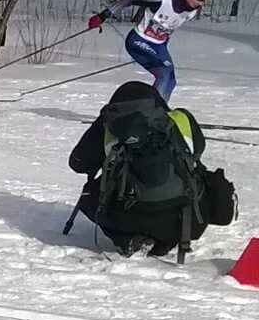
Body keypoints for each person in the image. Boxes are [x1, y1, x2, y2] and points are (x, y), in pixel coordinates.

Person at [65, 80, 237, 262]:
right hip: (185, 217)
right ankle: (166, 241)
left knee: (90, 194)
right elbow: (198, 150)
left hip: (128, 217)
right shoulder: (180, 118)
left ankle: (128, 238)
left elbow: (78, 164)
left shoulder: (109, 125)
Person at [89, 0, 209, 101]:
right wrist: (102, 16)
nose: (199, 3)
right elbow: (127, 0)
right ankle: (154, 112)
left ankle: (160, 112)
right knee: (163, 74)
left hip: (159, 46)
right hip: (138, 40)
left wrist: (160, 51)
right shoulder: (161, 0)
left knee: (171, 81)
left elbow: (167, 30)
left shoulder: (192, 11)